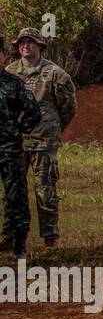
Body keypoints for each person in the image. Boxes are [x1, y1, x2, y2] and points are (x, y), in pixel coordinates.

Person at [5, 28, 77, 249]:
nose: (26, 46)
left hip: (43, 143)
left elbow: (69, 108)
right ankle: (11, 238)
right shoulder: (9, 73)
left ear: (40, 46)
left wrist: (52, 128)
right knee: (13, 192)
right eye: (22, 42)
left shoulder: (55, 74)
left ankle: (50, 239)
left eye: (31, 42)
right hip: (15, 143)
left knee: (45, 191)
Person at [0, 49, 42, 259]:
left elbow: (34, 111)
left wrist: (18, 129)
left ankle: (18, 244)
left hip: (9, 148)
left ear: (3, 57)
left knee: (15, 195)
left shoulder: (15, 84)